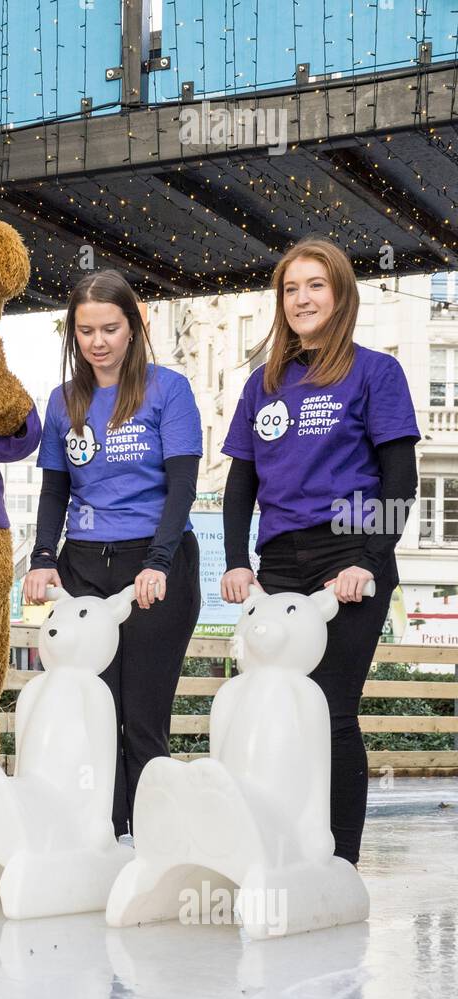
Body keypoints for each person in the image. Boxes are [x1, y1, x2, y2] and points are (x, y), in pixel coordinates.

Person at [220, 236, 419, 864]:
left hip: (350, 556)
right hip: (279, 563)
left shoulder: (375, 372)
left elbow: (399, 480)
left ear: (339, 296)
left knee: (329, 708)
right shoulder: (264, 385)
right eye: (290, 288)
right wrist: (236, 561)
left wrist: (369, 557)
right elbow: (241, 482)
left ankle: (340, 862)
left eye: (315, 286)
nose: (301, 298)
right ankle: (282, 849)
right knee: (277, 708)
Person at [24, 269, 202, 836]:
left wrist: (158, 561)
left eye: (109, 328)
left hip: (154, 563)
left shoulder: (168, 389)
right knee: (94, 714)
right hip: (83, 567)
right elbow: (55, 489)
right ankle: (103, 834)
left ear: (132, 328)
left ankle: (151, 842)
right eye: (85, 330)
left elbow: (182, 486)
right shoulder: (63, 400)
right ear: (73, 335)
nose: (97, 342)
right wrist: (42, 559)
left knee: (142, 718)